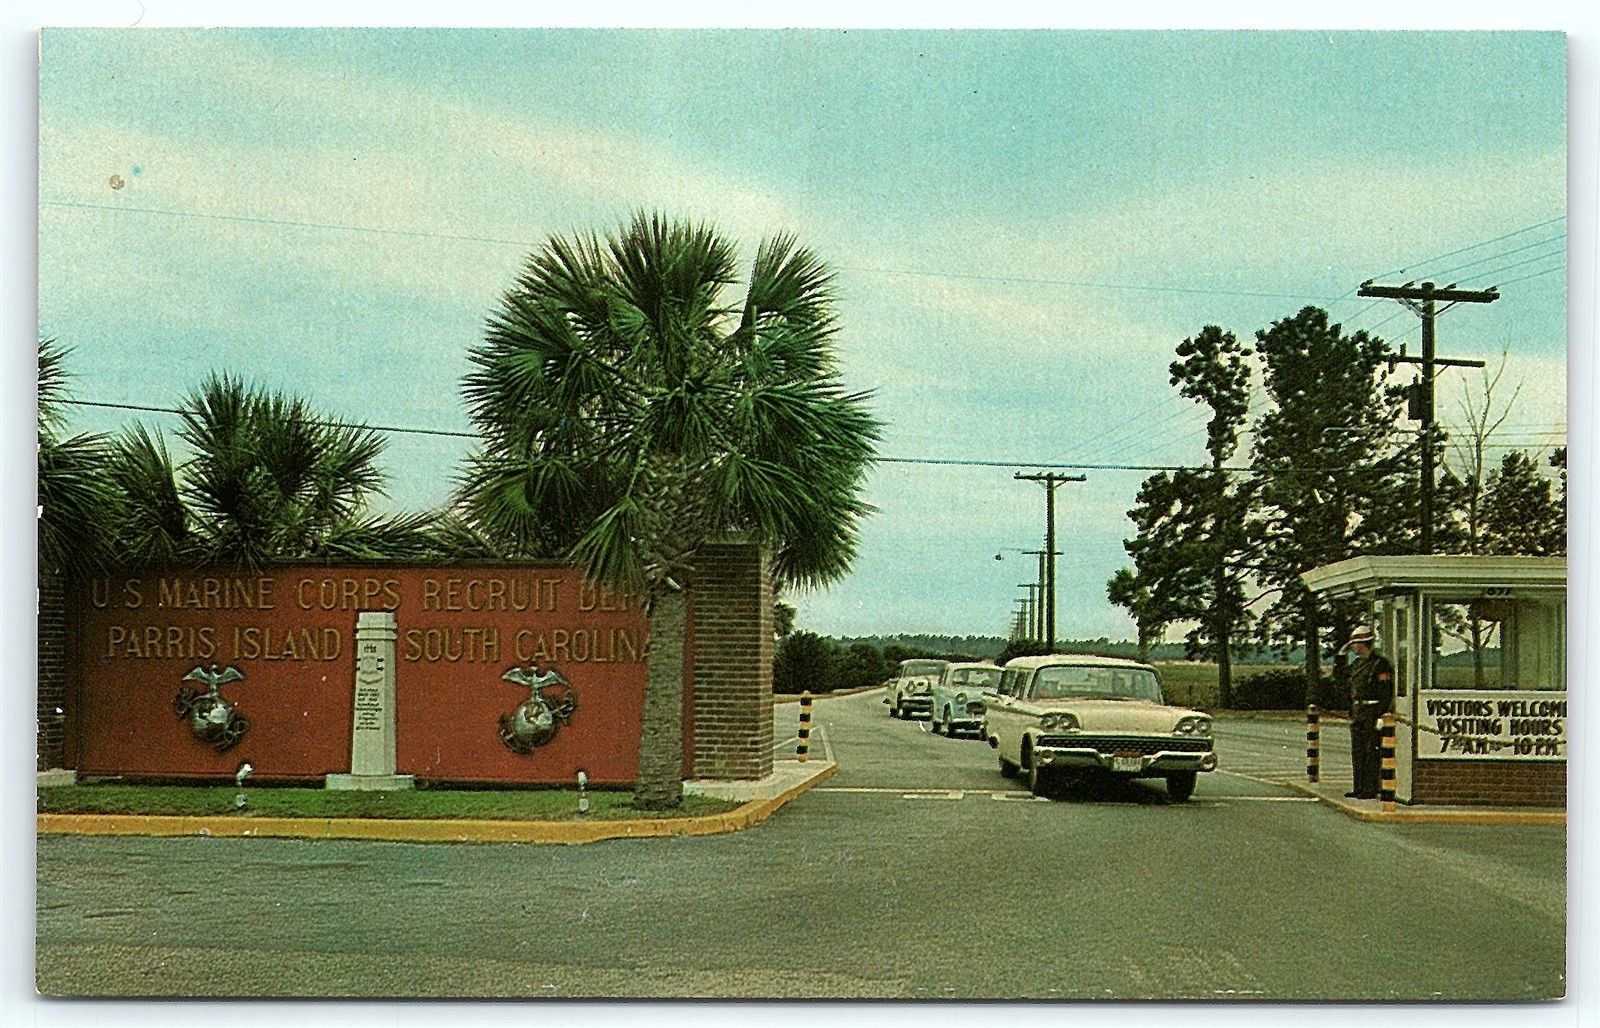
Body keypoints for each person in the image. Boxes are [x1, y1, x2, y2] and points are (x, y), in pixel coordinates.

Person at [1344, 625, 1393, 799]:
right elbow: (1344, 682)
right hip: (1358, 710)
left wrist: (1381, 714)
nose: (1353, 647)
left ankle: (1369, 788)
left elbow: (1385, 691)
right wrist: (1339, 657)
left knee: (1370, 752)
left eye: (1355, 643)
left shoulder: (1380, 664)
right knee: (1357, 752)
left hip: (1372, 710)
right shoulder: (1357, 664)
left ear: (1364, 643)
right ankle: (1358, 787)